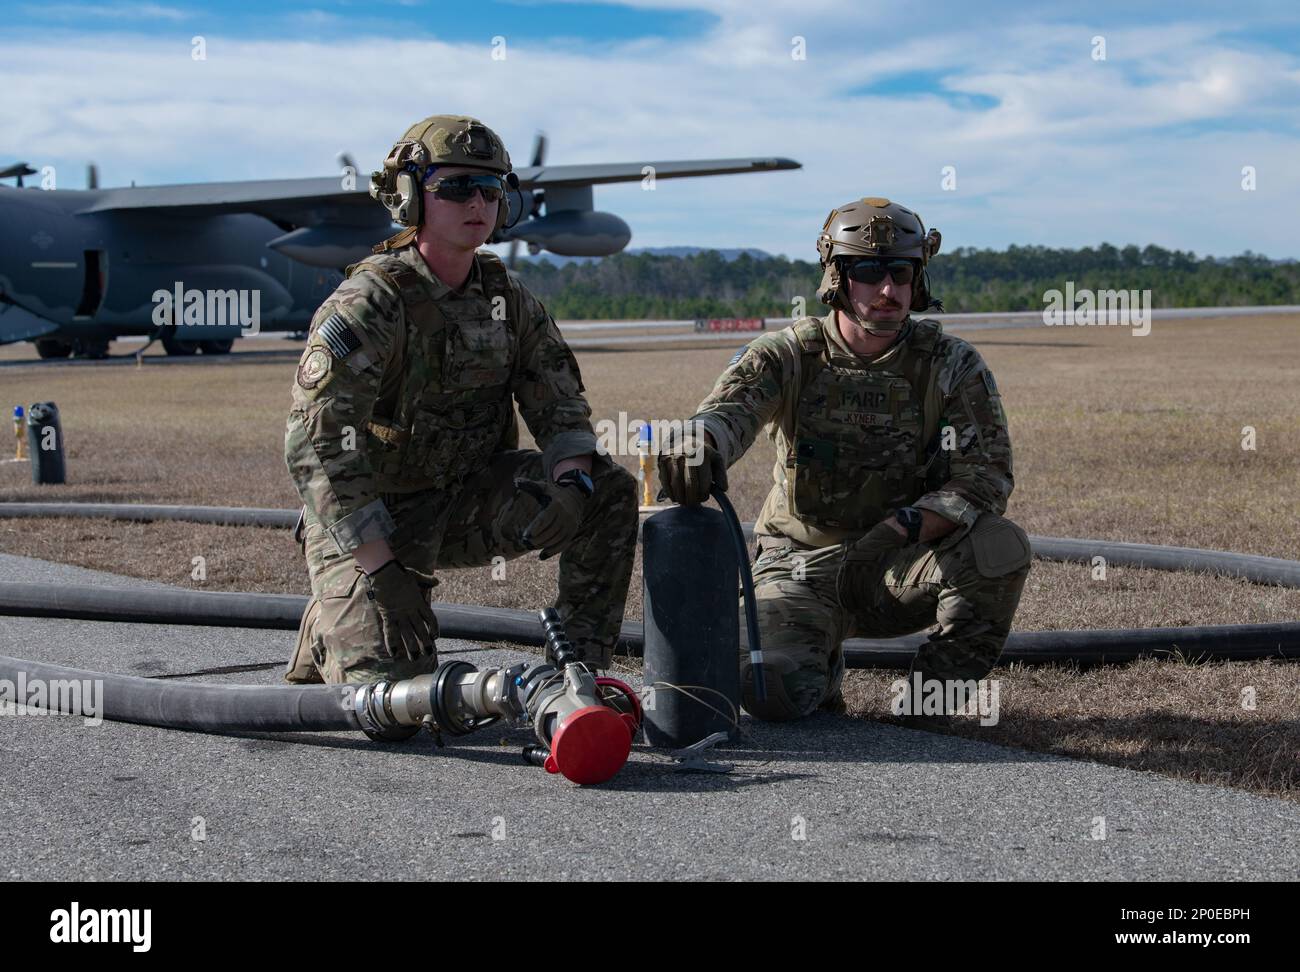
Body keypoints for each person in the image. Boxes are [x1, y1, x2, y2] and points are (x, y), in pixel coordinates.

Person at [284, 114, 637, 686]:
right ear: (409, 197)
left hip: (462, 499)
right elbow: (316, 443)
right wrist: (380, 570)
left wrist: (572, 488)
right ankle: (334, 620)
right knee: (390, 703)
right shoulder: (370, 303)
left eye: (490, 188)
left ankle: (580, 675)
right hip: (372, 518)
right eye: (454, 187)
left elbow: (560, 407)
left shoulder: (506, 296)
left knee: (607, 489)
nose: (476, 201)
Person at [658, 197, 1032, 720]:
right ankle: (817, 664)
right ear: (837, 277)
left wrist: (901, 529)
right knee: (771, 689)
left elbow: (986, 475)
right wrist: (698, 442)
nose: (888, 290)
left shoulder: (950, 364)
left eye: (902, 272)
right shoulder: (788, 354)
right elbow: (728, 413)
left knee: (999, 547)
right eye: (869, 272)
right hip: (800, 563)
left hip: (901, 563)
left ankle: (926, 707)